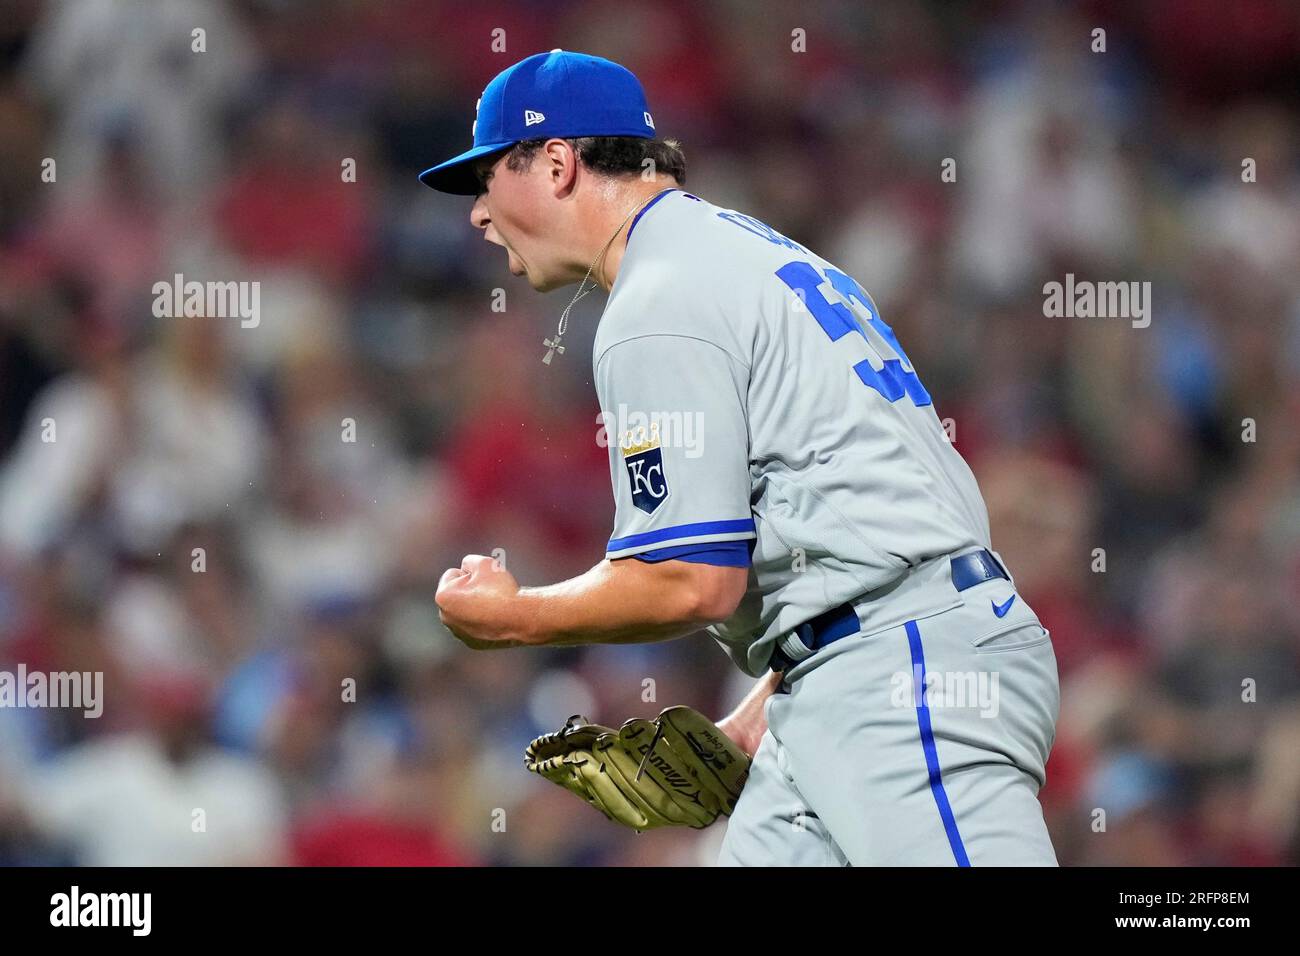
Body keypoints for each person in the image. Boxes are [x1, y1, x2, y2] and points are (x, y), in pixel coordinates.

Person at [422, 50, 1059, 866]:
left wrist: (514, 619)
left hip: (903, 679)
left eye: (485, 179)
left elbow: (693, 579)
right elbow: (851, 494)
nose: (478, 214)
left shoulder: (659, 301)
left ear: (555, 163)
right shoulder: (745, 255)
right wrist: (789, 670)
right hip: (847, 672)